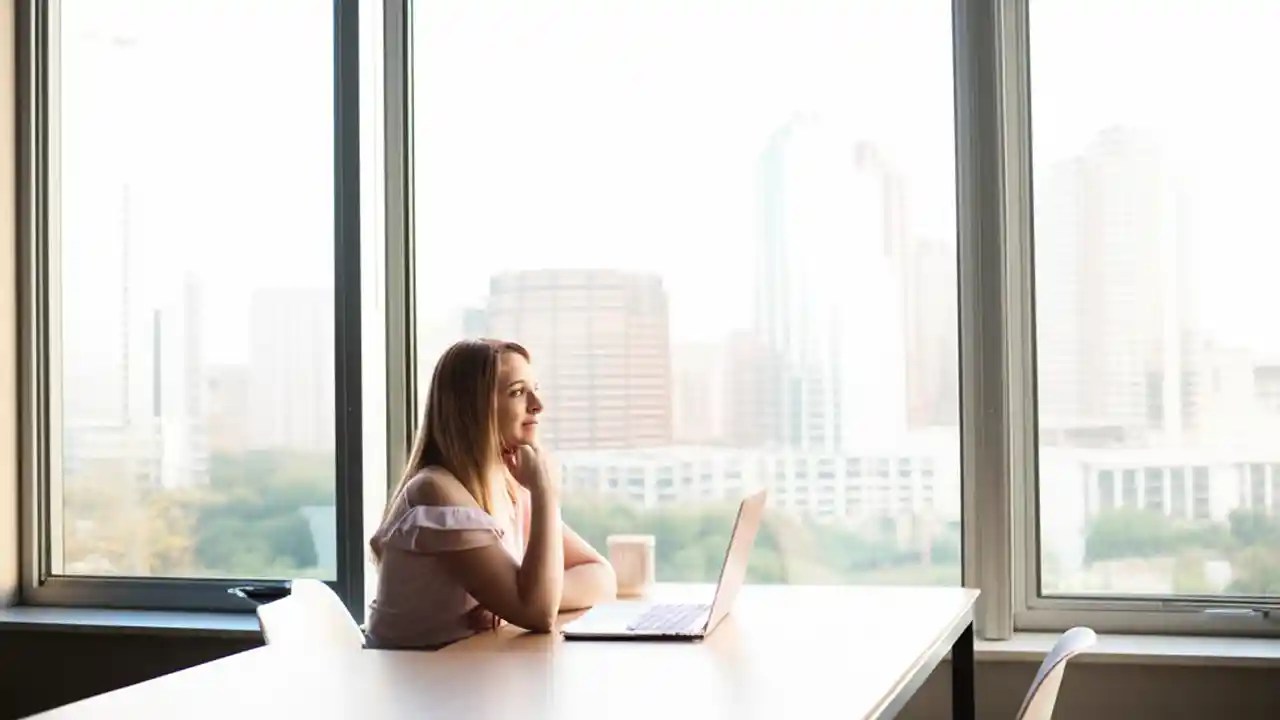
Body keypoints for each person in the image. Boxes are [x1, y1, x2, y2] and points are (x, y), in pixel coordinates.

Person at [366, 338, 617, 649]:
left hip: (463, 675)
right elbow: (538, 614)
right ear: (473, 408)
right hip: (408, 687)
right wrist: (544, 492)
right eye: (517, 392)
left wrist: (520, 602)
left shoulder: (509, 487)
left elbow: (602, 578)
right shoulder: (435, 491)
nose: (537, 404)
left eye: (534, 388)